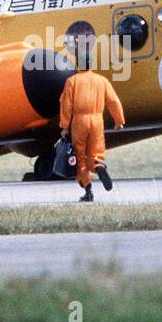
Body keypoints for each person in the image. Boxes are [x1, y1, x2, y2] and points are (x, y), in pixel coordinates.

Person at [58, 41, 126, 203]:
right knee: (96, 153)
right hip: (97, 120)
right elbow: (113, 101)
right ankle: (99, 167)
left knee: (79, 156)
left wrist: (64, 126)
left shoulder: (72, 81)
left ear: (78, 63)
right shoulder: (101, 81)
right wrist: (119, 120)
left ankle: (88, 190)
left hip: (79, 121)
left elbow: (66, 105)